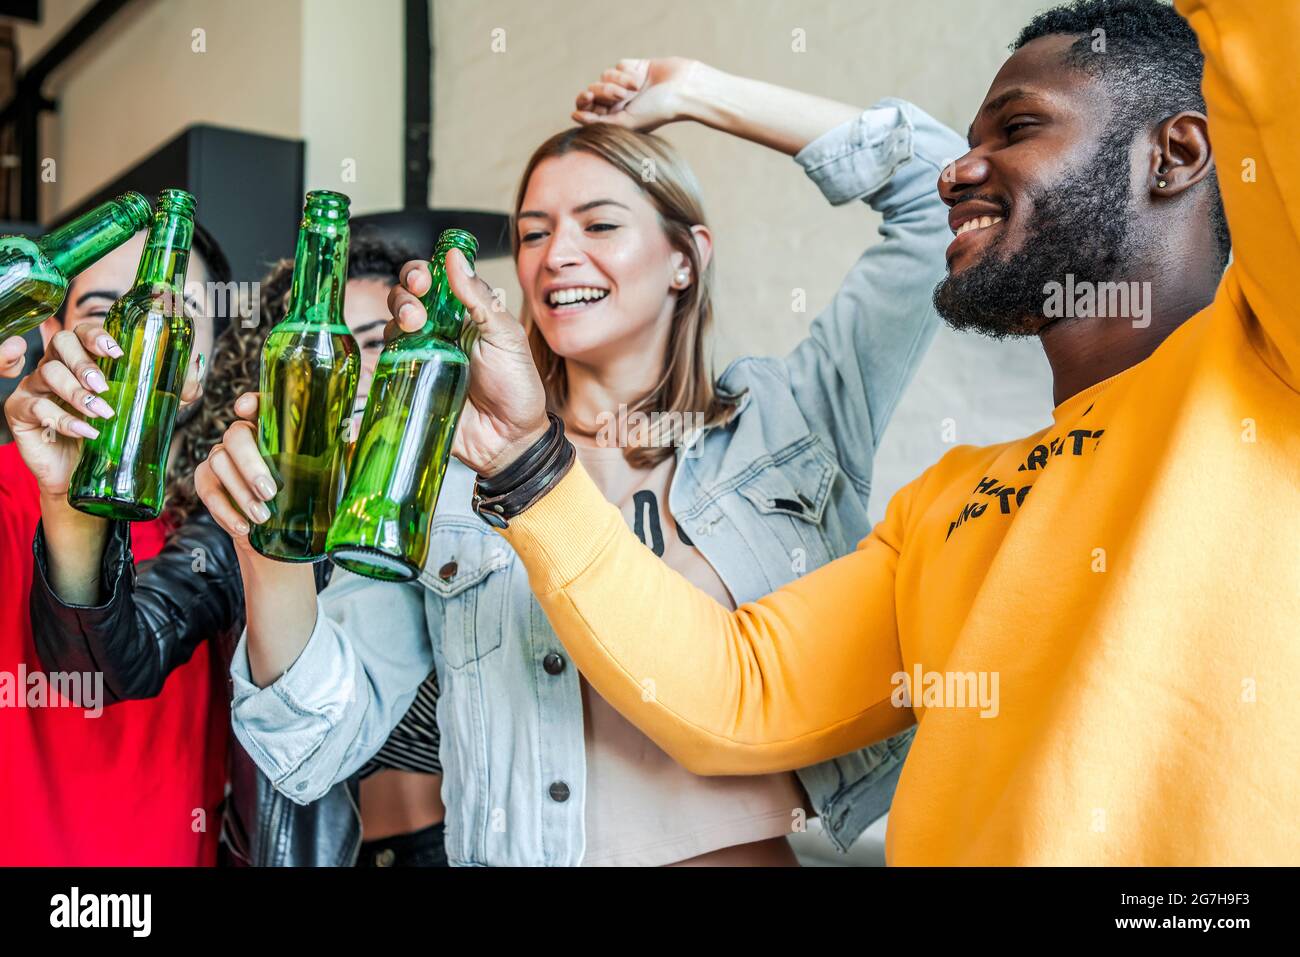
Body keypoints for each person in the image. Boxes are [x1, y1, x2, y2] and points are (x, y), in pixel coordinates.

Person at [355, 0, 1295, 865]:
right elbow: (734, 689)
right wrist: (526, 461)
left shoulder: (1271, 360)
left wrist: (706, 96)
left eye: (1017, 129)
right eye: (533, 233)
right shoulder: (948, 507)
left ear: (1176, 153)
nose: (958, 171)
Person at [205, 64, 962, 865]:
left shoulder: (793, 418)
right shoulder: (448, 470)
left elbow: (940, 192)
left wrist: (698, 94)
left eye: (599, 225)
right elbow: (316, 741)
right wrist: (269, 553)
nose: (556, 254)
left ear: (686, 257)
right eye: (533, 233)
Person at [19, 231, 450, 866]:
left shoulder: (471, 519)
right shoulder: (234, 530)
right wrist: (68, 501)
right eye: (331, 362)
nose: (357, 384)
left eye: (382, 355)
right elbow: (108, 666)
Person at [0, 223, 231, 865]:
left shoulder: (224, 521)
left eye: (170, 314)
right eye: (105, 313)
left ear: (206, 351)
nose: (136, 336)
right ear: (52, 336)